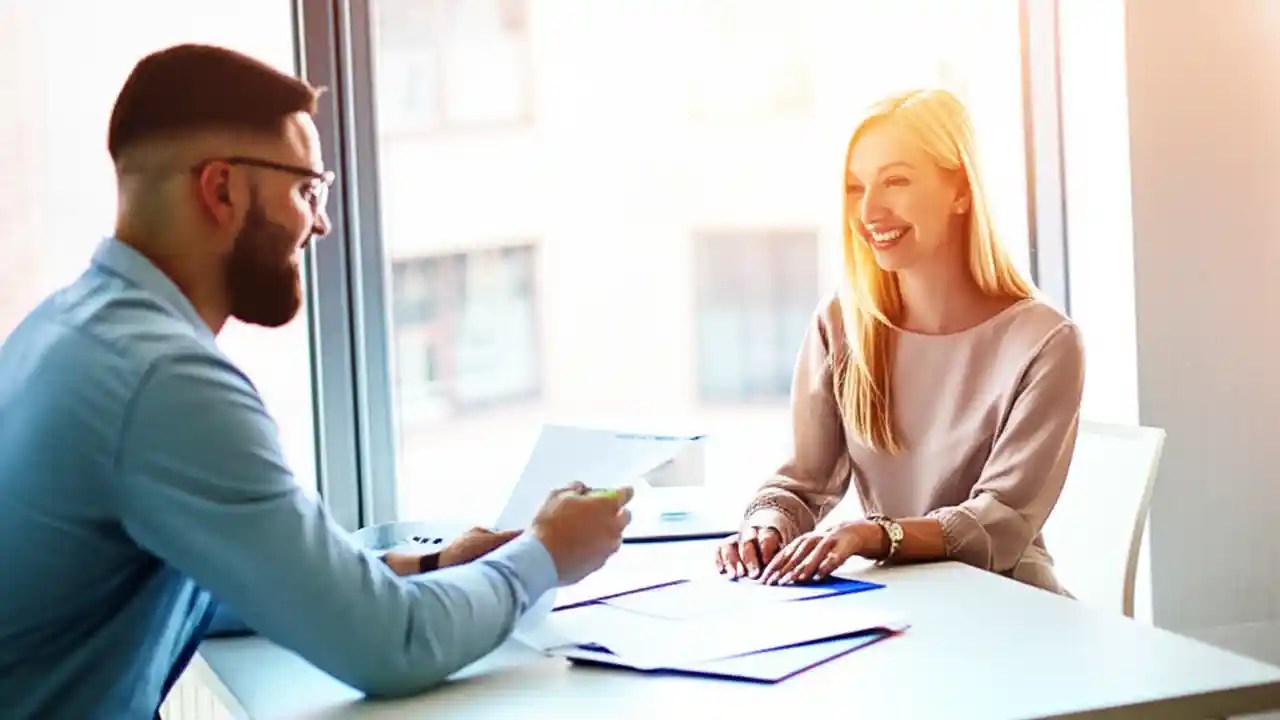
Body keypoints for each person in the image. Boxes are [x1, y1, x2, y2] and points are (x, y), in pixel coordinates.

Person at [0, 44, 632, 718]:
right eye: (307, 190)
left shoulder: (60, 330)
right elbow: (393, 644)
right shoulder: (165, 381)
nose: (321, 222)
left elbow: (221, 579)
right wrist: (546, 554)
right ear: (221, 189)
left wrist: (430, 564)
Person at [714, 88, 1085, 594]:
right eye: (855, 187)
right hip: (899, 600)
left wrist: (873, 535)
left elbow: (1000, 523)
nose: (869, 210)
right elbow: (803, 482)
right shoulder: (841, 323)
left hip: (1008, 602)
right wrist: (767, 524)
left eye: (895, 181)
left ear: (960, 192)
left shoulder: (1046, 341)